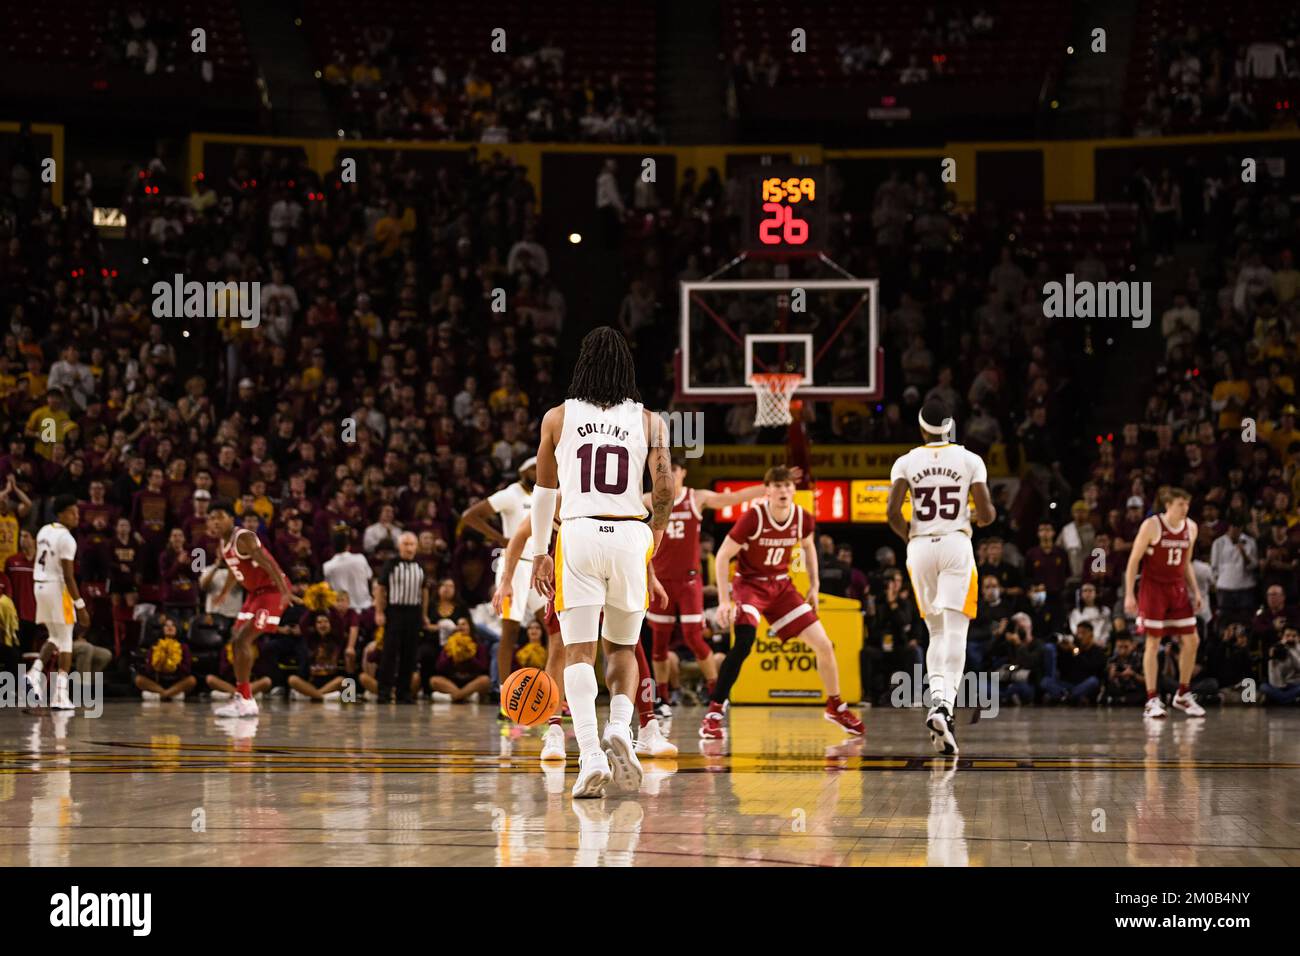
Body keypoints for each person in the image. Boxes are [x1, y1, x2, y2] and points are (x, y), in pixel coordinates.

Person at [529, 326, 674, 799]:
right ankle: (619, 727)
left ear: (582, 366)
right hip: (630, 531)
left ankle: (590, 753)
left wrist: (539, 554)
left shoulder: (556, 417)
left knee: (577, 652)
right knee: (622, 648)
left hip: (579, 532)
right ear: (626, 369)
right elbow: (666, 489)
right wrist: (651, 541)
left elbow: (544, 491)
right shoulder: (652, 422)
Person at [701, 464, 867, 741]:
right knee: (743, 643)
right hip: (749, 585)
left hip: (781, 586)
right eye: (777, 486)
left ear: (793, 490)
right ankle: (715, 711)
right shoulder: (753, 518)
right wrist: (723, 600)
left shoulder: (802, 518)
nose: (783, 490)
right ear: (768, 491)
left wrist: (814, 585)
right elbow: (722, 556)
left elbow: (809, 547)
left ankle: (835, 706)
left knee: (824, 644)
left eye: (787, 485)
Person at [886, 399, 996, 753]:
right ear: (949, 427)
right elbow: (988, 514)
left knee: (934, 631)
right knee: (956, 631)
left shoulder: (906, 461)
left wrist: (912, 536)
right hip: (954, 545)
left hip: (919, 548)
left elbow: (891, 513)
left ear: (921, 429)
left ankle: (940, 707)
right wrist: (976, 517)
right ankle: (944, 705)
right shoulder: (969, 459)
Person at [641, 457, 781, 716]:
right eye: (664, 470)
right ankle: (662, 698)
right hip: (660, 579)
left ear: (683, 472)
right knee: (659, 643)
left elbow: (734, 498)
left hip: (689, 580)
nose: (669, 474)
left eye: (673, 469)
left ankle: (717, 693)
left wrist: (770, 488)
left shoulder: (696, 498)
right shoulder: (649, 499)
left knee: (695, 637)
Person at [207, 498, 299, 718]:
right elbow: (233, 569)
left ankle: (246, 698)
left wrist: (285, 590)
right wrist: (224, 592)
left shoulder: (244, 537)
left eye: (220, 516)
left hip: (271, 592)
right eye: (211, 518)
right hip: (255, 594)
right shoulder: (223, 543)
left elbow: (269, 562)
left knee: (243, 640)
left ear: (232, 518)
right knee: (236, 639)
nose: (215, 522)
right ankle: (243, 696)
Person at [461, 456, 543, 699]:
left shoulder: (543, 495)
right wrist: (500, 539)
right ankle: (505, 696)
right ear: (524, 471)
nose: (540, 471)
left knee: (554, 627)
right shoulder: (511, 494)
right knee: (510, 631)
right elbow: (470, 516)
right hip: (513, 568)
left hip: (536, 565)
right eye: (535, 468)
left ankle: (553, 695)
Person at [1123, 488, 1206, 719]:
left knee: (1192, 640)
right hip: (1153, 588)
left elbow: (1186, 563)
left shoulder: (1191, 527)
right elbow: (1133, 561)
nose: (1185, 509)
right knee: (1153, 642)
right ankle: (1151, 699)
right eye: (1181, 504)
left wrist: (1196, 591)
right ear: (1168, 505)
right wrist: (1129, 594)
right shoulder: (1152, 526)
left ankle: (1182, 693)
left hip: (1177, 588)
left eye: (1187, 504)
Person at [29, 495, 90, 710]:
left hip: (39, 585)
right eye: (73, 512)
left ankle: (35, 672)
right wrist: (80, 606)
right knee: (66, 640)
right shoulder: (67, 539)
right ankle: (60, 694)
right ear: (61, 513)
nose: (77, 516)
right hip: (56, 588)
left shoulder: (44, 530)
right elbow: (68, 576)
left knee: (55, 636)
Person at [373, 531, 427, 703]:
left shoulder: (420, 565)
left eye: (412, 544)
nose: (409, 548)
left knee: (409, 654)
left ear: (416, 547)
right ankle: (384, 691)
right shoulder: (391, 564)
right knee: (389, 653)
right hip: (395, 611)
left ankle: (404, 692)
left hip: (414, 611)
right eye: (405, 544)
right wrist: (379, 612)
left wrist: (424, 615)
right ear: (399, 546)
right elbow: (380, 588)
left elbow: (424, 591)